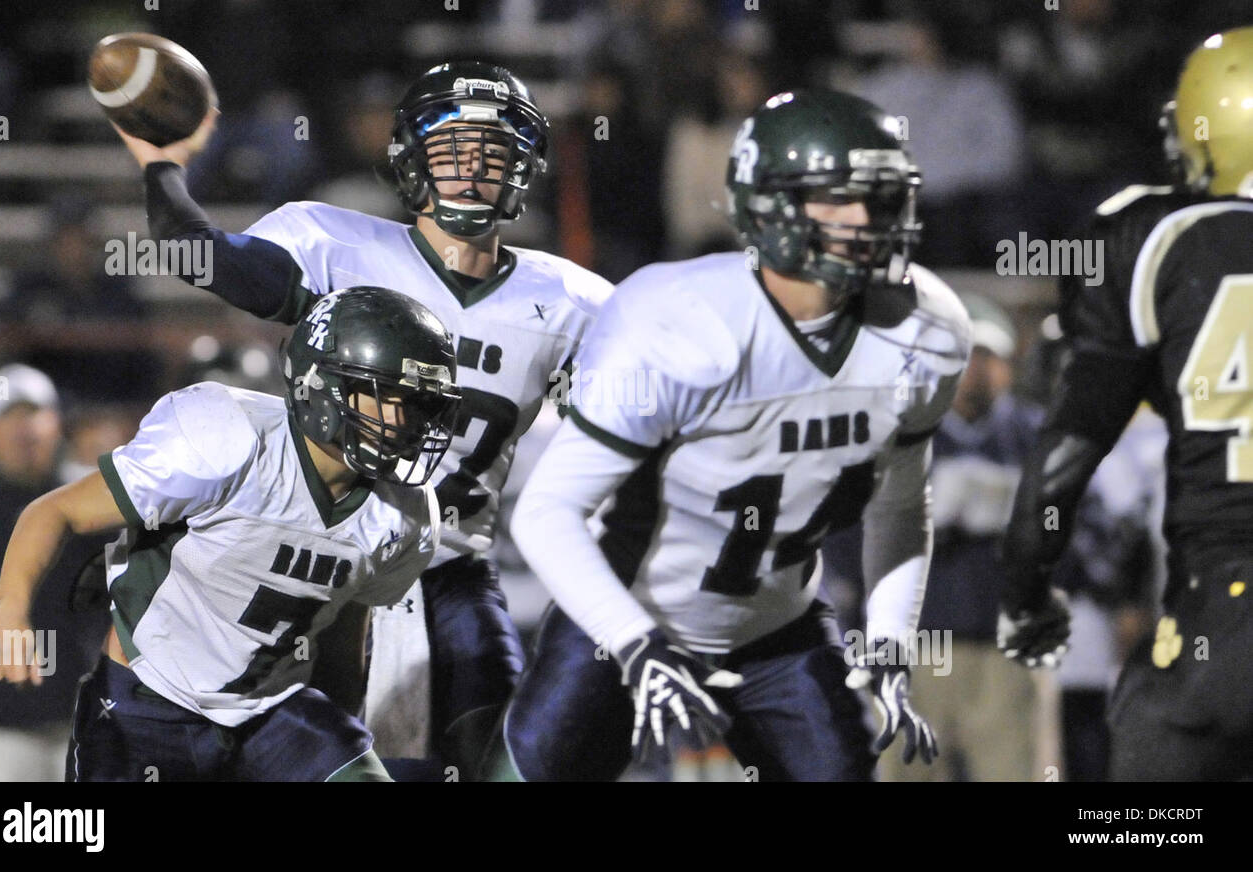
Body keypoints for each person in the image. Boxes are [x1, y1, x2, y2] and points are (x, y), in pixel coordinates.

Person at [110, 60, 612, 779]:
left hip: (451, 569)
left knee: (505, 763)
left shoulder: (572, 301)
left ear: (522, 170)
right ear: (413, 160)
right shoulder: (334, 244)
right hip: (314, 562)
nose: (470, 172)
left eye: (492, 155)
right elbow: (205, 258)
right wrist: (163, 166)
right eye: (450, 151)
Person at [498, 89, 972, 781]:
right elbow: (547, 514)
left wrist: (892, 643)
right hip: (629, 618)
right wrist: (636, 647)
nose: (863, 219)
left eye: (877, 197)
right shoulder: (678, 318)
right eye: (835, 199)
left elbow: (901, 506)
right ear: (769, 204)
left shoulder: (924, 328)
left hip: (777, 627)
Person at [0, 287, 462, 782]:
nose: (401, 420)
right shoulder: (228, 438)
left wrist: (338, 719)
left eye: (419, 403)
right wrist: (9, 614)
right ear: (322, 384)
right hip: (150, 701)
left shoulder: (407, 512)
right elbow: (53, 511)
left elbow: (343, 624)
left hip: (272, 711)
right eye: (384, 397)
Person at [999, 27, 1253, 780]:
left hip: (1228, 609)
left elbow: (1067, 456)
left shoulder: (1163, 238)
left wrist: (1026, 588)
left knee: (1136, 817)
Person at [879, 296, 1044, 781]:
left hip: (1000, 643)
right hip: (916, 644)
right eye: (961, 355)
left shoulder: (1031, 437)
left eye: (986, 355)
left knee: (1006, 771)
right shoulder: (897, 436)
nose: (973, 369)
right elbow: (849, 532)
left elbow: (1074, 532)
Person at [0, 364, 108, 781]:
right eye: (9, 417)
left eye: (34, 415)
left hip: (86, 728)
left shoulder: (98, 507)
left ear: (57, 423)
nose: (24, 431)